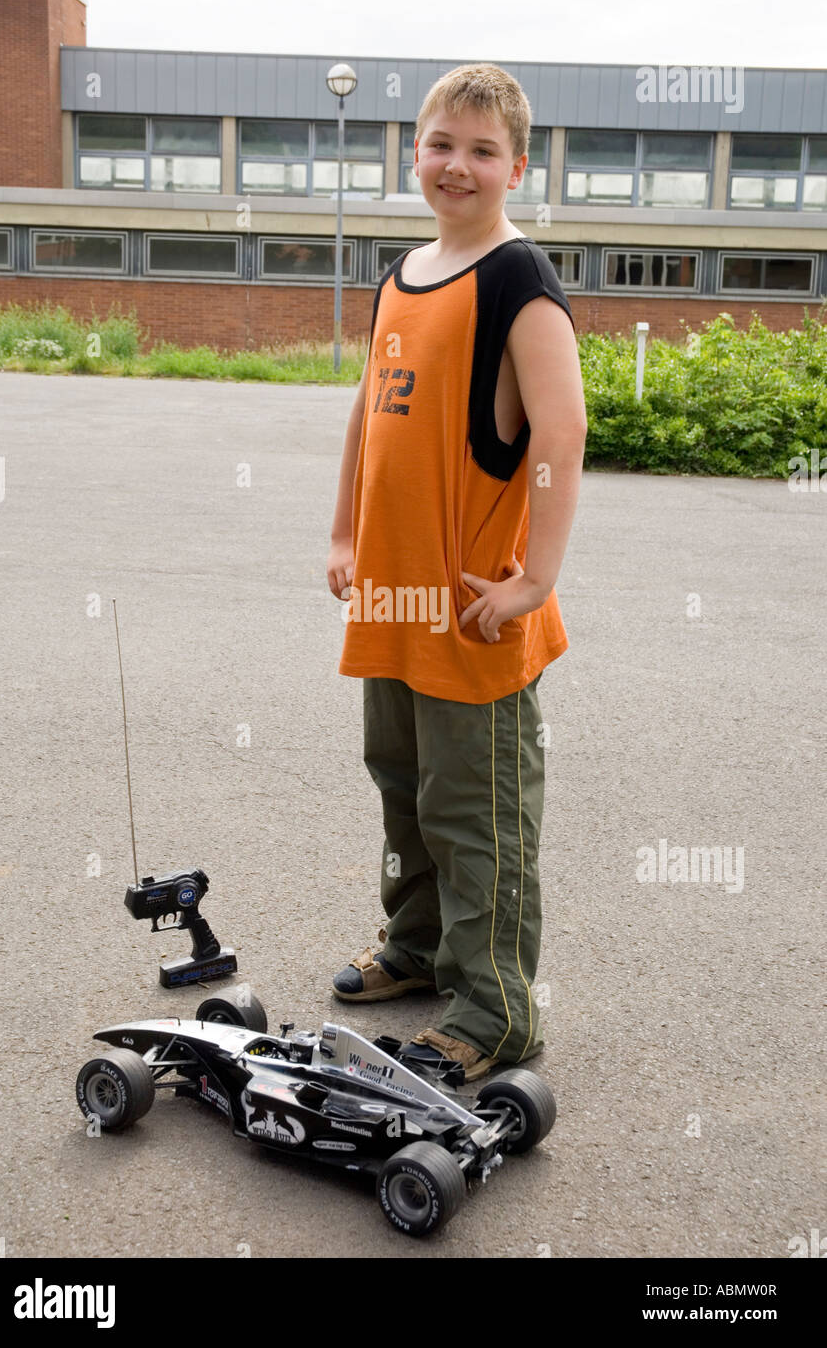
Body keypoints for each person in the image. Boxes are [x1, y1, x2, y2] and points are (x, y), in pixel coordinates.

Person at [326, 63, 587, 1082]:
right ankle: (417, 947)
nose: (457, 164)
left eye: (482, 150)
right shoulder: (403, 272)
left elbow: (561, 431)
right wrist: (345, 535)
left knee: (475, 810)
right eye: (442, 143)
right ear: (414, 152)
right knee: (404, 789)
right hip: (393, 598)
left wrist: (533, 579)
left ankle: (494, 1010)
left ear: (514, 166)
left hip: (476, 608)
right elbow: (367, 411)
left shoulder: (517, 279)